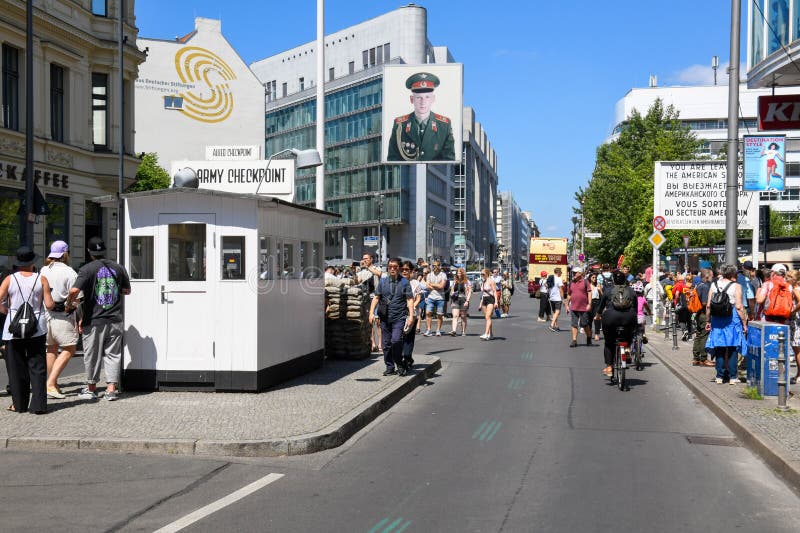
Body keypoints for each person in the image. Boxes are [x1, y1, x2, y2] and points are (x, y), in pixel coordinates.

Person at [65, 237, 131, 401]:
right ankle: (111, 389)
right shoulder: (119, 267)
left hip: (94, 319)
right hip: (115, 318)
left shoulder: (87, 269)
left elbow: (74, 290)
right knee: (113, 354)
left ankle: (91, 388)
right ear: (104, 250)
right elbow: (127, 291)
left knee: (92, 354)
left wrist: (69, 303)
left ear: (89, 251)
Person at [0, 246, 55, 413]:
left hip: (13, 329)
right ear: (32, 262)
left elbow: (0, 300)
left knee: (16, 368)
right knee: (37, 366)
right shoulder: (41, 279)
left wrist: (6, 310)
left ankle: (20, 404)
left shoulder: (9, 279)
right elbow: (49, 304)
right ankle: (38, 406)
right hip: (36, 328)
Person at [40, 240, 80, 399]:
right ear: (65, 254)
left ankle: (52, 384)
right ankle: (50, 383)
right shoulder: (70, 272)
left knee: (51, 349)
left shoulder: (43, 269)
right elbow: (77, 297)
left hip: (46, 315)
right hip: (63, 315)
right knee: (69, 349)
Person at [387, 72, 455, 162]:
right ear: (412, 99)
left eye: (427, 97)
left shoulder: (444, 125)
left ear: (433, 99)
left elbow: (449, 161)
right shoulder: (400, 124)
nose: (423, 102)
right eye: (419, 97)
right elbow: (392, 159)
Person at [369, 258, 414, 376]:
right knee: (385, 344)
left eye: (395, 267)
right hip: (384, 317)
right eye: (390, 267)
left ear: (399, 268)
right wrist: (371, 313)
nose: (392, 269)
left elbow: (410, 299)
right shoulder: (383, 281)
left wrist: (411, 316)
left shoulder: (405, 282)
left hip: (399, 317)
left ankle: (399, 363)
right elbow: (376, 297)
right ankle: (389, 366)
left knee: (396, 340)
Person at [705, 264, 747, 385]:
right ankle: (733, 377)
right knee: (733, 347)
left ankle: (719, 376)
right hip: (732, 318)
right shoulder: (736, 286)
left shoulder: (714, 285)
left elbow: (708, 305)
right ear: (734, 274)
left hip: (717, 319)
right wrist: (744, 323)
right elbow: (738, 306)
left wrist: (708, 321)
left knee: (719, 347)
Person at [599, 270, 637, 377]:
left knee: (609, 342)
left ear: (613, 280)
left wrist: (597, 315)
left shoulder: (608, 290)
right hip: (628, 317)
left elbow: (601, 307)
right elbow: (635, 307)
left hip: (611, 318)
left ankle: (609, 367)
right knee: (630, 332)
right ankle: (627, 348)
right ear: (625, 280)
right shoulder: (631, 291)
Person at [357, 253, 383, 352]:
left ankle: (380, 343)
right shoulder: (362, 270)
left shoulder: (377, 268)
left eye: (366, 258)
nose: (364, 260)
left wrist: (368, 267)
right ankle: (372, 343)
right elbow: (357, 281)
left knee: (378, 322)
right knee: (370, 322)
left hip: (377, 298)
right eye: (363, 258)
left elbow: (379, 274)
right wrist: (355, 271)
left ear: (371, 259)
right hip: (367, 298)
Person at [400, 260, 422, 372]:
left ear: (411, 271)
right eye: (402, 269)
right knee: (399, 337)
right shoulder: (397, 282)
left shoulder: (415, 283)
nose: (404, 271)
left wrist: (412, 307)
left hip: (411, 314)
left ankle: (407, 357)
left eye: (406, 270)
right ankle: (404, 358)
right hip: (399, 314)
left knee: (408, 338)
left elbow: (418, 298)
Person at [565, 267, 593, 347]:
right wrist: (567, 305)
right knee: (574, 324)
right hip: (574, 307)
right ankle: (574, 340)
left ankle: (589, 337)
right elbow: (569, 294)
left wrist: (589, 304)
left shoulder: (585, 282)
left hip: (583, 307)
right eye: (573, 272)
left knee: (584, 324)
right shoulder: (571, 283)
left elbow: (589, 293)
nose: (573, 274)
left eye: (575, 272)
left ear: (580, 273)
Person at [692, 269, 714, 367]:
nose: (712, 278)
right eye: (711, 276)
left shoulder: (698, 284)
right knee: (704, 336)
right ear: (706, 276)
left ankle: (696, 358)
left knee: (698, 335)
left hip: (698, 313)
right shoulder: (705, 287)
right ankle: (703, 358)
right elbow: (705, 303)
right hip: (704, 314)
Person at [423, 261, 447, 336]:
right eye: (433, 266)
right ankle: (429, 330)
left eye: (436, 266)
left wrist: (432, 285)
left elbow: (442, 286)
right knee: (428, 313)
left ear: (439, 266)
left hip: (440, 297)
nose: (434, 267)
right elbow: (427, 286)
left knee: (439, 315)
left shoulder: (443, 275)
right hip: (431, 297)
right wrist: (436, 285)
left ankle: (438, 330)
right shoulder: (429, 275)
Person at [449, 268, 472, 336]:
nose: (459, 274)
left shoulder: (467, 281)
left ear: (462, 273)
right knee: (455, 315)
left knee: (463, 316)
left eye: (460, 273)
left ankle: (463, 331)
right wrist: (452, 297)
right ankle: (454, 331)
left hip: (463, 299)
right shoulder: (454, 281)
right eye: (457, 273)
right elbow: (452, 291)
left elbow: (470, 291)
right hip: (455, 299)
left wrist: (467, 301)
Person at [478, 269, 496, 340]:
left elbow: (494, 292)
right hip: (484, 300)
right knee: (487, 318)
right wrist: (480, 303)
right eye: (481, 274)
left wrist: (496, 302)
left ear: (487, 274)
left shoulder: (491, 281)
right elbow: (483, 293)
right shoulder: (483, 281)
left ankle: (486, 334)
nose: (482, 275)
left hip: (490, 299)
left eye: (483, 274)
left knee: (488, 317)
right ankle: (491, 334)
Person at [548, 267, 565, 332]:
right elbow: (561, 290)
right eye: (561, 272)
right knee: (557, 312)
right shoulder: (559, 279)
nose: (561, 273)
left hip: (551, 297)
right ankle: (552, 325)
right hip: (557, 298)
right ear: (558, 272)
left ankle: (556, 325)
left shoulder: (551, 278)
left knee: (555, 312)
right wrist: (563, 299)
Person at [588, 272, 602, 342]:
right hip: (590, 303)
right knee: (589, 319)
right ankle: (589, 333)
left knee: (596, 319)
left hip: (597, 302)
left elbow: (602, 296)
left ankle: (596, 334)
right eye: (593, 277)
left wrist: (600, 290)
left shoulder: (598, 285)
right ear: (590, 278)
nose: (594, 279)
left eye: (595, 277)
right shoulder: (588, 285)